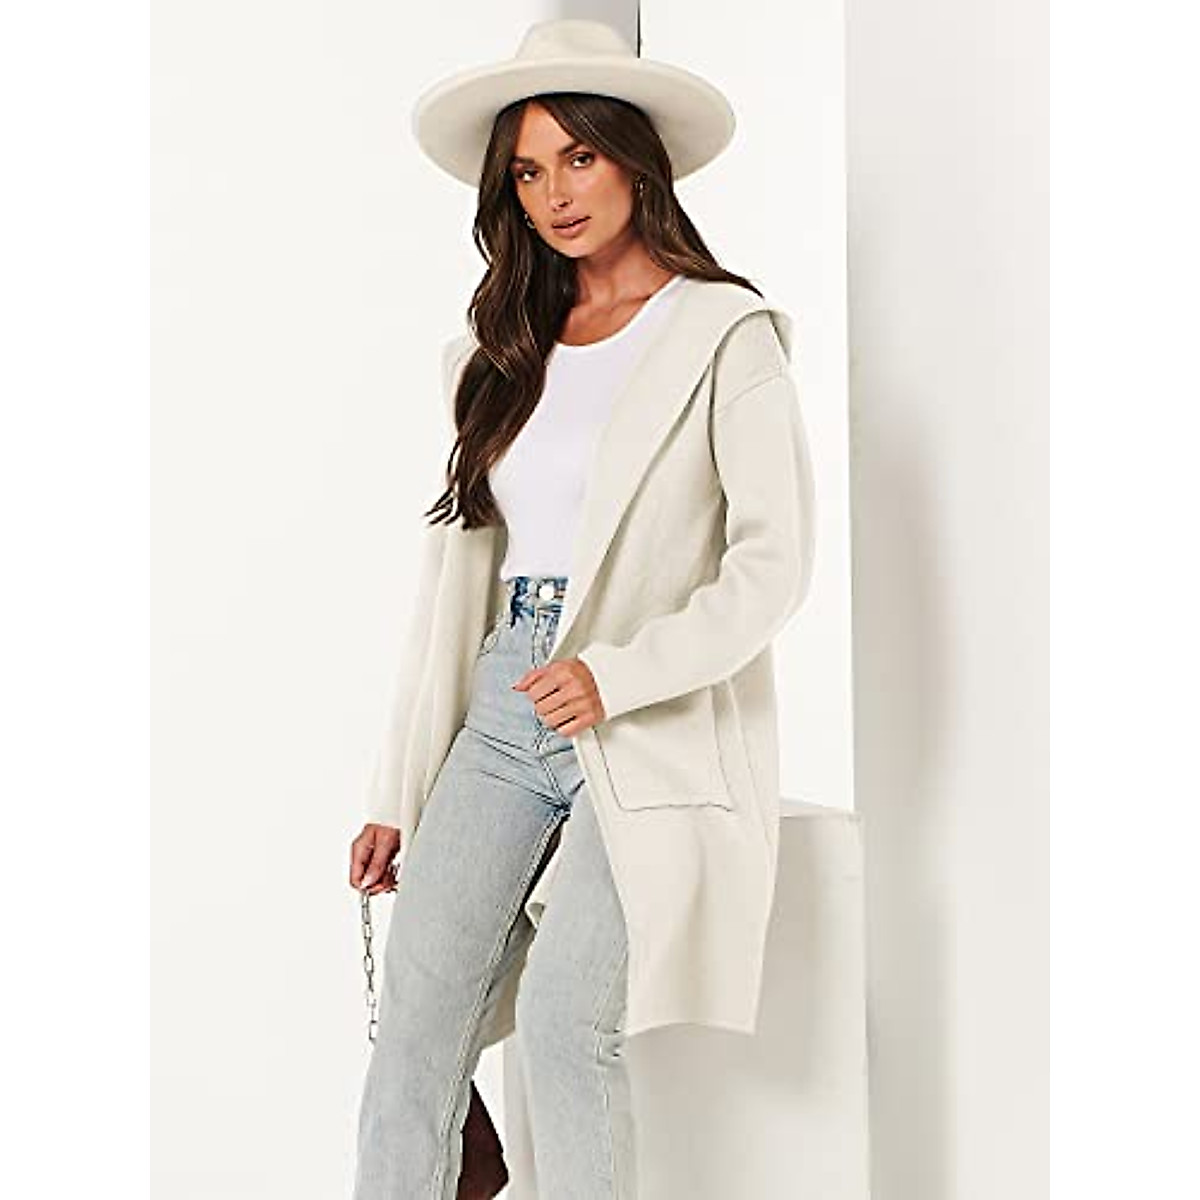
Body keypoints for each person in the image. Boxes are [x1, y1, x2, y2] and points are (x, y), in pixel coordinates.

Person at [348, 17, 818, 1200]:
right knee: (415, 1027)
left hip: (647, 717)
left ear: (633, 160)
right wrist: (397, 792)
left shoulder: (725, 335)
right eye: (526, 171)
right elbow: (450, 590)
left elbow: (771, 565)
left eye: (579, 157)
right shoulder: (496, 352)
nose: (555, 193)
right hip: (505, 698)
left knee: (569, 1021)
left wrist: (618, 673)